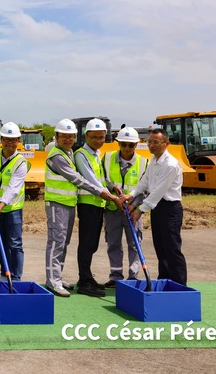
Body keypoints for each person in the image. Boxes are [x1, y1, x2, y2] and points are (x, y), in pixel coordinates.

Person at [44, 119, 117, 298]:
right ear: (56, 137)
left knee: (64, 242)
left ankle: (57, 278)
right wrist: (102, 192)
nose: (68, 139)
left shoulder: (68, 152)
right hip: (56, 203)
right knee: (56, 242)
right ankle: (52, 281)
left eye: (70, 136)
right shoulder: (57, 156)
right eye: (64, 136)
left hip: (68, 203)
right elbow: (77, 179)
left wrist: (109, 188)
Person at [123, 128, 188, 285]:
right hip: (158, 208)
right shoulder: (153, 160)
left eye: (155, 142)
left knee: (172, 248)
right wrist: (131, 195)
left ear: (166, 143)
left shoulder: (170, 164)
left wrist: (140, 210)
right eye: (149, 142)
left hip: (169, 208)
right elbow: (145, 181)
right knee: (160, 247)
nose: (151, 145)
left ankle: (179, 284)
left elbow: (158, 191)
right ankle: (165, 281)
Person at [74, 118, 121, 297]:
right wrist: (110, 196)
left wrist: (111, 186)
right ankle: (84, 281)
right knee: (86, 244)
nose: (99, 141)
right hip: (88, 204)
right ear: (86, 136)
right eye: (94, 137)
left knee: (92, 244)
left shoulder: (95, 154)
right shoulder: (81, 154)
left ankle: (87, 277)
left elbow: (100, 178)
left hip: (97, 204)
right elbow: (90, 180)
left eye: (102, 137)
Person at [0, 122, 30, 282]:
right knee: (0, 243)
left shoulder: (21, 162)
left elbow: (13, 188)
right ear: (1, 139)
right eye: (6, 139)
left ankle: (15, 277)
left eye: (13, 140)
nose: (10, 143)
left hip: (12, 209)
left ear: (18, 140)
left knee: (15, 244)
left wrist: (1, 206)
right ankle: (4, 273)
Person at [102, 127, 148, 288]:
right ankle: (115, 277)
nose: (127, 148)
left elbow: (146, 189)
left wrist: (135, 205)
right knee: (113, 243)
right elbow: (102, 181)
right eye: (124, 144)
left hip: (133, 211)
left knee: (134, 244)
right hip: (113, 209)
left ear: (136, 144)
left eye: (131, 145)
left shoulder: (144, 163)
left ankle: (133, 277)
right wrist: (112, 190)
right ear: (118, 144)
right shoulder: (107, 159)